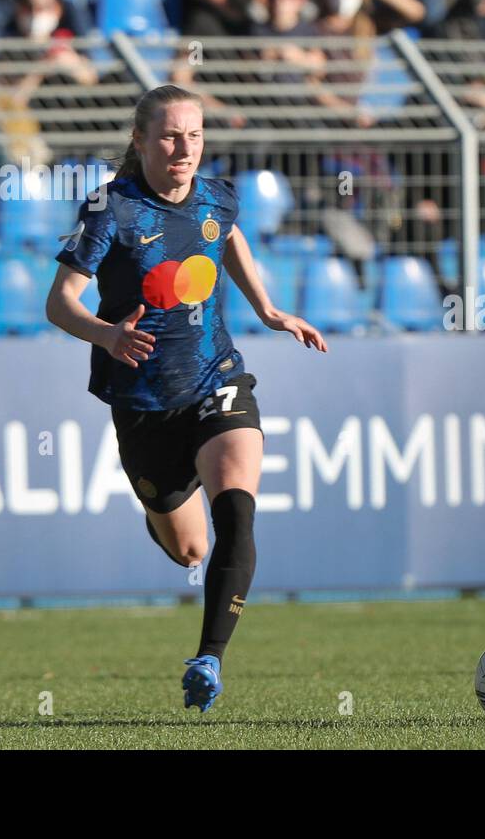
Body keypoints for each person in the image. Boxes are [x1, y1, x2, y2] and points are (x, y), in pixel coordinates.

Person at [44, 85, 328, 712]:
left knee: (237, 513)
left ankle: (209, 657)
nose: (184, 148)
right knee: (191, 549)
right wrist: (107, 335)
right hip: (143, 400)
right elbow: (59, 301)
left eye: (194, 135)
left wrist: (269, 309)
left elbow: (228, 239)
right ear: (141, 140)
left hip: (216, 378)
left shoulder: (216, 195)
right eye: (170, 135)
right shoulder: (109, 209)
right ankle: (162, 508)